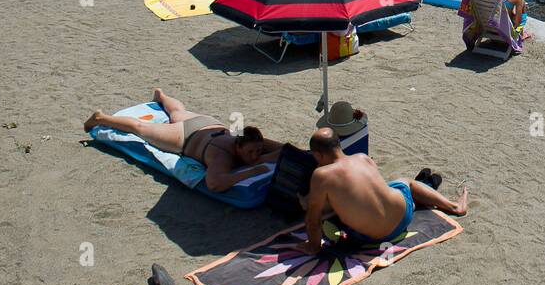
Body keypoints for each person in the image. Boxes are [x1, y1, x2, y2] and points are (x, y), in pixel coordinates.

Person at [296, 126, 468, 252]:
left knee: (324, 208)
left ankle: (422, 196)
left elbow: (313, 220)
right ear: (338, 145)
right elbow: (374, 191)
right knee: (404, 182)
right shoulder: (363, 158)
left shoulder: (321, 175)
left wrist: (312, 245)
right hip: (403, 217)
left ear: (318, 155)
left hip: (373, 237)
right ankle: (454, 207)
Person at [83, 89, 282, 193]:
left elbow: (284, 149)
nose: (255, 154)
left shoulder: (249, 140)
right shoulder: (223, 157)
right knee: (141, 128)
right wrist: (253, 169)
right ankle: (100, 118)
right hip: (185, 136)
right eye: (250, 152)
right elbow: (214, 184)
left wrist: (261, 158)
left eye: (258, 150)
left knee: (177, 112)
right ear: (237, 146)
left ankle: (161, 95)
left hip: (208, 125)